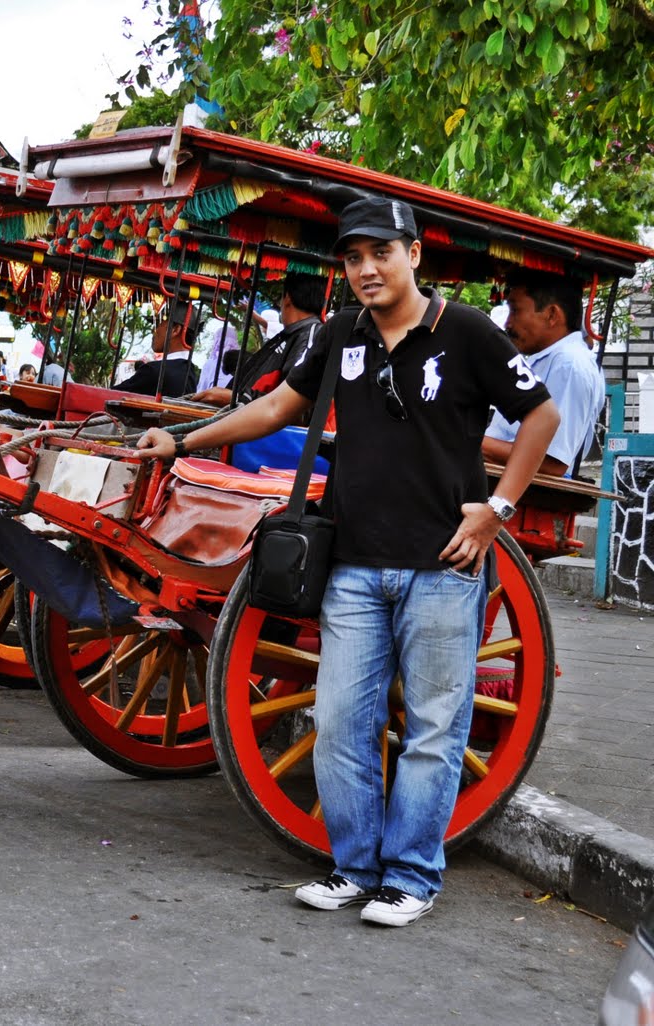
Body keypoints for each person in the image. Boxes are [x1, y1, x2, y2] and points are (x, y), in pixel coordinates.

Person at [136, 195, 559, 928]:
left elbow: (541, 415)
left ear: (413, 254)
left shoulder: (465, 332)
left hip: (443, 568)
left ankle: (413, 880)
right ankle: (355, 868)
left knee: (432, 728)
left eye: (381, 254)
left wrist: (502, 508)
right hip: (355, 567)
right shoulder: (341, 333)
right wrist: (182, 442)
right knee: (339, 721)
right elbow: (272, 412)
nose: (367, 269)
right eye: (353, 258)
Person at [482, 270, 605, 478]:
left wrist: (472, 442)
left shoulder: (569, 365)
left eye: (516, 311)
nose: (507, 324)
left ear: (552, 315)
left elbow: (552, 463)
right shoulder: (547, 359)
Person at [191, 272, 329, 407]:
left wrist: (235, 398)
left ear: (287, 298)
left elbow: (291, 404)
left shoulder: (309, 338)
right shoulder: (290, 334)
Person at [112, 300, 202, 398]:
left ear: (175, 330)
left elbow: (109, 396)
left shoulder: (154, 371)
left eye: (158, 324)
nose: (153, 331)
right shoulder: (193, 375)